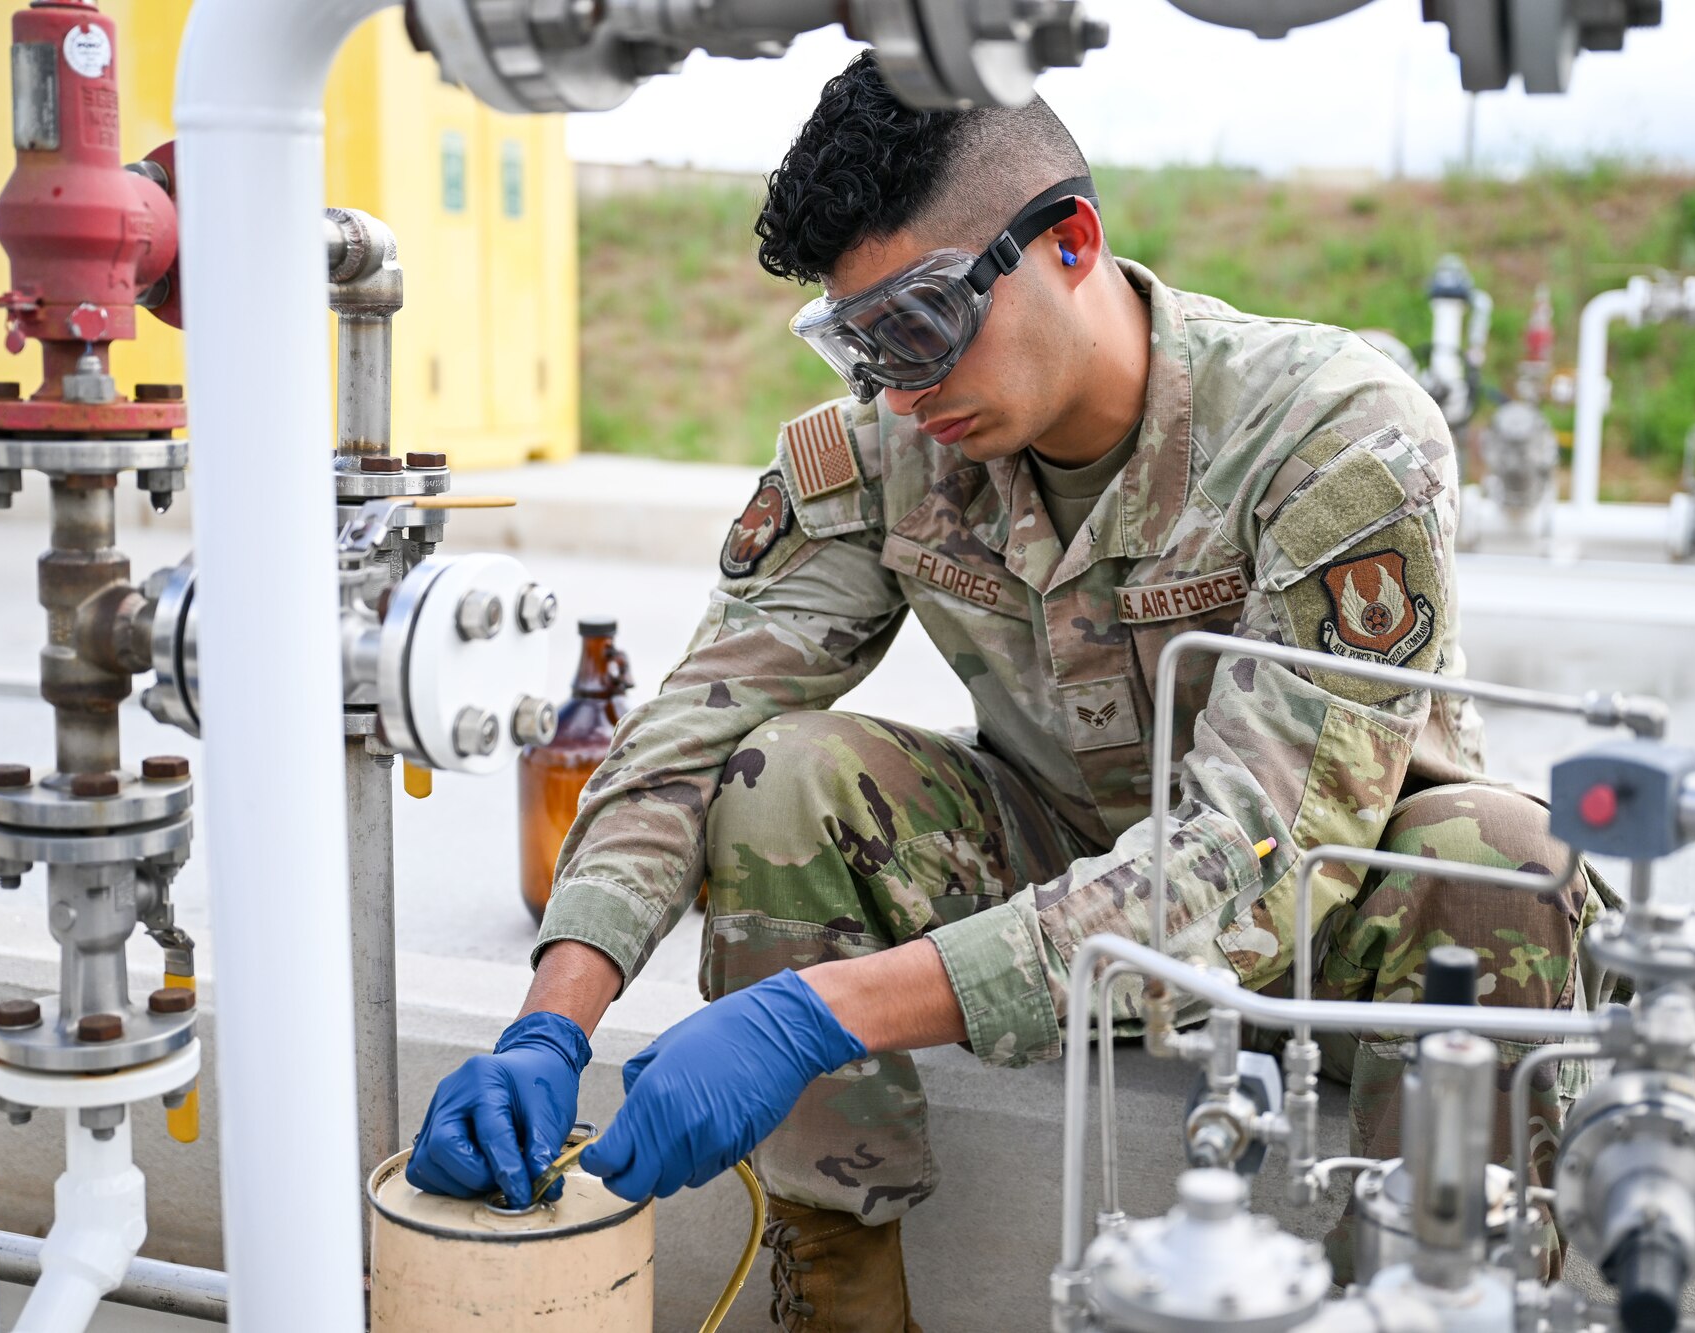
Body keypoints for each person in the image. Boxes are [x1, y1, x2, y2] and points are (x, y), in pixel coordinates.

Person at [407, 52, 1613, 1331]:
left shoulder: (1331, 435)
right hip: (1055, 867)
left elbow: (1258, 859)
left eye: (922, 323)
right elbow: (695, 727)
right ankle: (841, 1287)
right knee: (785, 774)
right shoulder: (889, 441)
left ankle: (1435, 1299)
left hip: (1330, 920)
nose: (903, 388)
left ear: (1069, 242)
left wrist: (813, 1014)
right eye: (860, 343)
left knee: (1500, 861)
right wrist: (548, 1025)